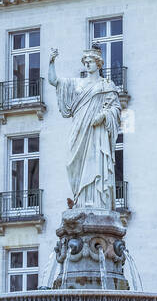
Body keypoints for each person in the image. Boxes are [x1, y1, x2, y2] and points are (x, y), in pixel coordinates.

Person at [48, 46, 121, 210]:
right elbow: (54, 81)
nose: (87, 65)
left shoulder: (106, 85)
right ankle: (80, 200)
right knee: (73, 163)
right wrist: (51, 61)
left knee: (95, 162)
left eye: (91, 62)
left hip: (97, 132)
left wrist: (103, 116)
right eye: (85, 62)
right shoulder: (77, 84)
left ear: (98, 64)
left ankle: (97, 202)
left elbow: (116, 109)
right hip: (79, 129)